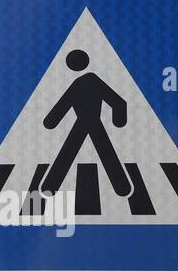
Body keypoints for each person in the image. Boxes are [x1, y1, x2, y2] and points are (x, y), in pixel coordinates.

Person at [40, 49, 131, 197]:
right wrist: (118, 121)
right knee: (104, 152)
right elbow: (118, 102)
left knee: (68, 153)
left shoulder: (83, 82)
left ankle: (50, 187)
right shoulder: (90, 81)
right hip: (90, 123)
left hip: (86, 123)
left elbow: (63, 105)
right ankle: (123, 187)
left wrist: (51, 122)